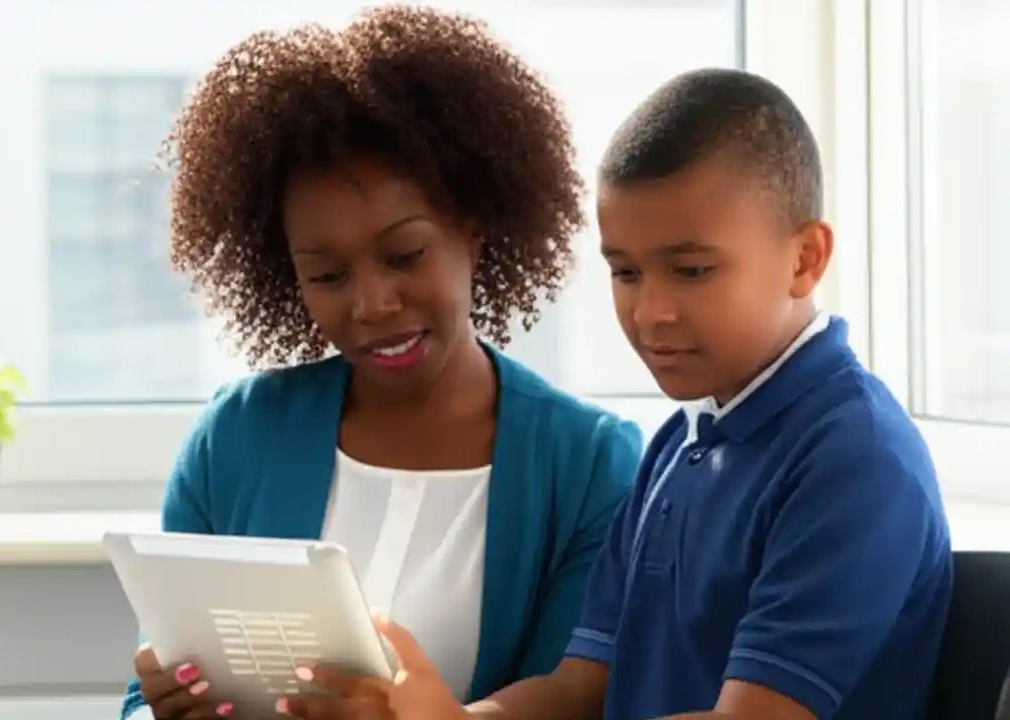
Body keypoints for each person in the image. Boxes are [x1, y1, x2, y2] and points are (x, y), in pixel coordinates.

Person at [297, 68, 953, 720]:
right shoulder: (679, 443)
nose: (650, 312)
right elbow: (578, 689)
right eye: (626, 272)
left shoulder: (856, 457)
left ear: (805, 258)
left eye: (692, 270)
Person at [118, 6, 643, 719]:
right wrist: (162, 708)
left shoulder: (587, 466)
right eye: (327, 275)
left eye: (404, 255)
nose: (371, 304)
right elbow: (139, 698)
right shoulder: (234, 438)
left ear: (474, 229)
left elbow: (583, 700)